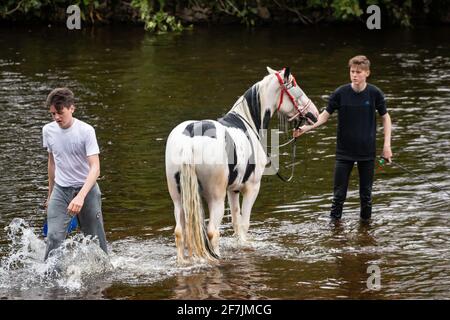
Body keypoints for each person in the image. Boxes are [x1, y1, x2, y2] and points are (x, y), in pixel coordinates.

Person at [293, 55, 392, 221]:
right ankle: (335, 232)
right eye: (352, 71)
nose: (355, 75)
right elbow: (323, 117)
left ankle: (366, 233)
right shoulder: (340, 93)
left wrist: (387, 146)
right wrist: (306, 128)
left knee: (366, 197)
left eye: (359, 72)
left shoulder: (374, 93)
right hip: (344, 153)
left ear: (367, 73)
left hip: (367, 153)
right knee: (338, 197)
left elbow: (386, 117)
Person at [42, 87, 107, 260]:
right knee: (53, 237)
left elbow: (95, 168)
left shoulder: (86, 131)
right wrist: (50, 195)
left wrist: (80, 197)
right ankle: (51, 282)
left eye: (60, 112)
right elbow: (52, 163)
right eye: (53, 113)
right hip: (61, 191)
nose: (56, 117)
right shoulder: (48, 131)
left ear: (71, 108)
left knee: (95, 242)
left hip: (87, 191)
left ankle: (105, 279)